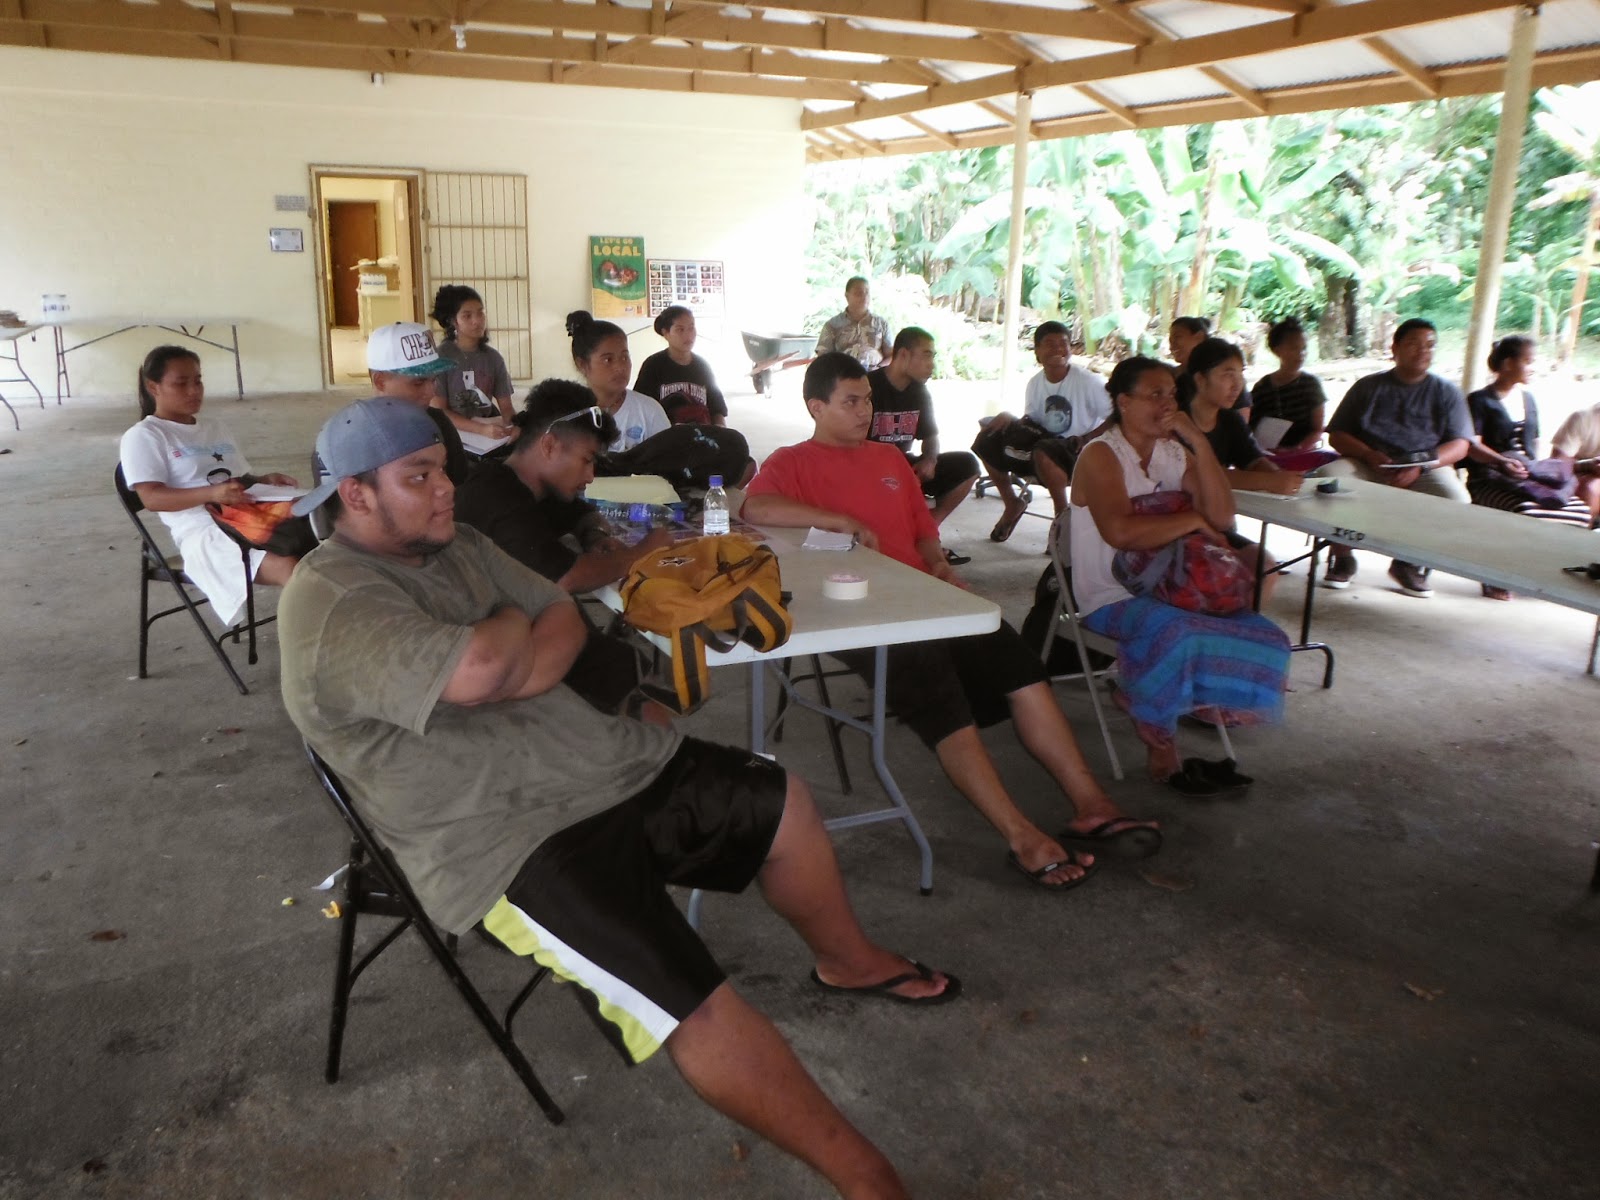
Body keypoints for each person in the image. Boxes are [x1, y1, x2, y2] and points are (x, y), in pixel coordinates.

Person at [278, 396, 956, 1200]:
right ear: (356, 494)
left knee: (783, 802)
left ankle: (848, 962)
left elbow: (559, 611)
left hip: (604, 761)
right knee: (695, 1001)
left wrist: (515, 648)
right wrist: (510, 636)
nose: (446, 488)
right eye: (418, 476)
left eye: (443, 469)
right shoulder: (332, 599)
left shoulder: (457, 542)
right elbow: (485, 669)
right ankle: (869, 1178)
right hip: (501, 839)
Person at [743, 352, 1162, 890]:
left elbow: (922, 530)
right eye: (850, 402)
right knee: (938, 695)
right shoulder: (793, 461)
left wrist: (938, 564)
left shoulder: (889, 459)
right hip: (862, 610)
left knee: (1020, 667)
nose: (864, 411)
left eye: (867, 400)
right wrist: (837, 519)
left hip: (928, 594)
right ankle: (1021, 835)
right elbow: (755, 509)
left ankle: (1091, 805)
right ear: (815, 407)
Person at [1069, 357, 1292, 793]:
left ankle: (1153, 695)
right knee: (1178, 634)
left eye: (1172, 394)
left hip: (1176, 586)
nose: (1168, 404)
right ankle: (1160, 736)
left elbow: (1222, 516)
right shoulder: (1101, 455)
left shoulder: (1172, 452)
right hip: (1112, 594)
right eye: (1155, 394)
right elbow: (1120, 532)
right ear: (1124, 402)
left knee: (1267, 636)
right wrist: (1190, 520)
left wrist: (1199, 444)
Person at [454, 379, 675, 719]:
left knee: (628, 668)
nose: (590, 476)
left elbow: (580, 512)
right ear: (550, 445)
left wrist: (594, 535)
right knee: (633, 683)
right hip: (492, 655)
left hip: (524, 628)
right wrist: (641, 552)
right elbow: (566, 577)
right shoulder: (497, 496)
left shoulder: (527, 482)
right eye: (586, 460)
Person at [119, 345, 314, 625]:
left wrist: (264, 480)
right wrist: (212, 494)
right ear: (154, 387)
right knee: (293, 569)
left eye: (198, 381)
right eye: (181, 383)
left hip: (247, 515)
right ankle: (313, 643)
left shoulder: (214, 427)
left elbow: (239, 479)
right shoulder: (145, 436)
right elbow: (152, 498)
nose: (194, 391)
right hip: (205, 532)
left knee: (326, 545)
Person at [1321, 318, 1473, 597]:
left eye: (1430, 345)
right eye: (1414, 344)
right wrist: (1367, 454)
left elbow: (1461, 445)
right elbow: (1337, 435)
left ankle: (1408, 562)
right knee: (1329, 479)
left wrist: (1420, 466)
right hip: (1367, 462)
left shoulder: (1446, 392)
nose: (1423, 351)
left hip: (1426, 466)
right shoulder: (1368, 387)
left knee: (1457, 500)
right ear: (1395, 348)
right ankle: (1342, 555)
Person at [1464, 337, 1591, 599]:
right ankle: (1496, 574)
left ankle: (1536, 570)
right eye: (1528, 361)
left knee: (1579, 511)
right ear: (1508, 364)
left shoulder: (1529, 399)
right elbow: (1472, 446)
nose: (1533, 367)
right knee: (1527, 511)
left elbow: (1534, 445)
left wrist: (1537, 472)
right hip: (1489, 478)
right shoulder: (1479, 400)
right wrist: (1502, 462)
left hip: (1527, 477)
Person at [1183, 337, 1300, 601]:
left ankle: (1245, 624)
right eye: (1227, 375)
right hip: (1182, 523)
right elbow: (1203, 477)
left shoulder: (1230, 420)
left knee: (1265, 569)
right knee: (1222, 573)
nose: (1237, 384)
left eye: (1240, 374)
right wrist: (1269, 482)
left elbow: (1252, 459)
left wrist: (1276, 475)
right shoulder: (1179, 422)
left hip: (1218, 524)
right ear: (1200, 380)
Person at [977, 320, 1111, 542]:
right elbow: (1033, 422)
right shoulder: (1035, 383)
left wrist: (1087, 438)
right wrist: (1010, 419)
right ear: (1037, 352)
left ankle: (1061, 518)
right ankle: (1012, 503)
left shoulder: (1088, 381)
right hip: (1043, 446)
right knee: (987, 438)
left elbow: (1116, 416)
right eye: (1050, 344)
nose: (1058, 348)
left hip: (1077, 451)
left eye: (1063, 343)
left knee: (1044, 450)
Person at [865, 327, 978, 562]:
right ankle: (907, 538)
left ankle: (928, 530)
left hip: (906, 465)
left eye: (933, 357)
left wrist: (930, 459)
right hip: (871, 468)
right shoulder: (869, 387)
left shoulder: (919, 392)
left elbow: (931, 436)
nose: (931, 364)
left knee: (967, 465)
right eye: (926, 355)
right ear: (903, 355)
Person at [365, 321, 472, 485]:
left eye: (433, 380)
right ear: (380, 381)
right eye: (418, 382)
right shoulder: (356, 437)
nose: (431, 392)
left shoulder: (439, 423)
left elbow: (460, 485)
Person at [566, 310, 670, 453]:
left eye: (624, 357)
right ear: (582, 364)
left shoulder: (649, 410)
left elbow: (668, 459)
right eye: (608, 360)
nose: (620, 367)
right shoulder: (567, 414)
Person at [1248, 317, 1334, 470]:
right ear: (1277, 350)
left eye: (1304, 348)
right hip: (1268, 458)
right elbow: (1250, 428)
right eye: (1294, 348)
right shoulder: (1262, 387)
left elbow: (1317, 429)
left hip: (1303, 456)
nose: (1301, 354)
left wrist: (1296, 450)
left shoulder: (1310, 384)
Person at [430, 284, 515, 426]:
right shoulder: (440, 358)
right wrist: (480, 429)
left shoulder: (493, 358)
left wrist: (516, 426)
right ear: (453, 321)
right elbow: (440, 412)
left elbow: (507, 409)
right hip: (452, 431)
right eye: (467, 316)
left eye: (480, 313)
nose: (477, 321)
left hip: (486, 428)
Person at [632, 305, 728, 427]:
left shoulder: (703, 366)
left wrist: (720, 432)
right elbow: (640, 408)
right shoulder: (653, 365)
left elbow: (717, 409)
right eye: (680, 329)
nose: (688, 335)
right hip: (664, 435)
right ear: (666, 333)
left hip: (701, 435)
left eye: (691, 328)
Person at [814, 277, 892, 370]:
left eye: (867, 292)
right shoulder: (832, 325)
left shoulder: (882, 324)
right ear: (847, 296)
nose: (864, 297)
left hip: (875, 374)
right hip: (844, 375)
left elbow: (891, 356)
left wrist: (879, 369)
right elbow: (823, 359)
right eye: (859, 293)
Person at [1549, 400, 1600, 520]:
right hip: (1582, 477)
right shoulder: (1583, 418)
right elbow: (1556, 465)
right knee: (1592, 487)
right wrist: (1589, 465)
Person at [1168, 315, 1211, 409]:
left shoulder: (1215, 376)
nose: (1171, 347)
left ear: (1199, 337)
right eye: (1170, 341)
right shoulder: (1170, 374)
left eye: (1177, 337)